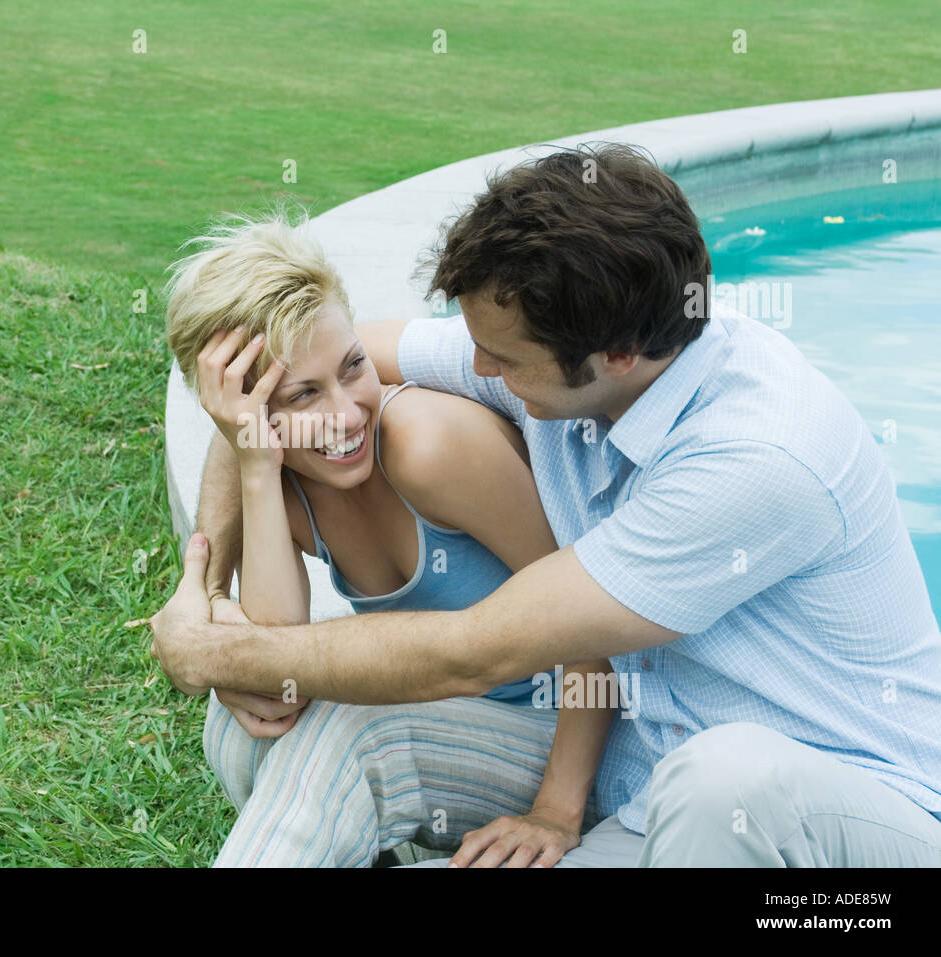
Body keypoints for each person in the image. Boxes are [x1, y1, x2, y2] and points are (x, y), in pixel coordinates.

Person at [150, 144, 941, 867]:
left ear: (614, 356)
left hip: (843, 828)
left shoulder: (757, 457)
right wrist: (205, 588)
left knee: (724, 780)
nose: (476, 368)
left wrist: (214, 651)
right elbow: (285, 387)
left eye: (504, 358)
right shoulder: (567, 340)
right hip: (644, 799)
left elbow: (475, 649)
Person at [163, 211, 619, 867]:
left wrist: (555, 808)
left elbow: (592, 625)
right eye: (301, 395)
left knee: (349, 730)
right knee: (241, 727)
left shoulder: (429, 447)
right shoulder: (279, 476)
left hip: (562, 735)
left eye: (353, 365)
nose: (346, 415)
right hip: (447, 712)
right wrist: (257, 469)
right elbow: (273, 666)